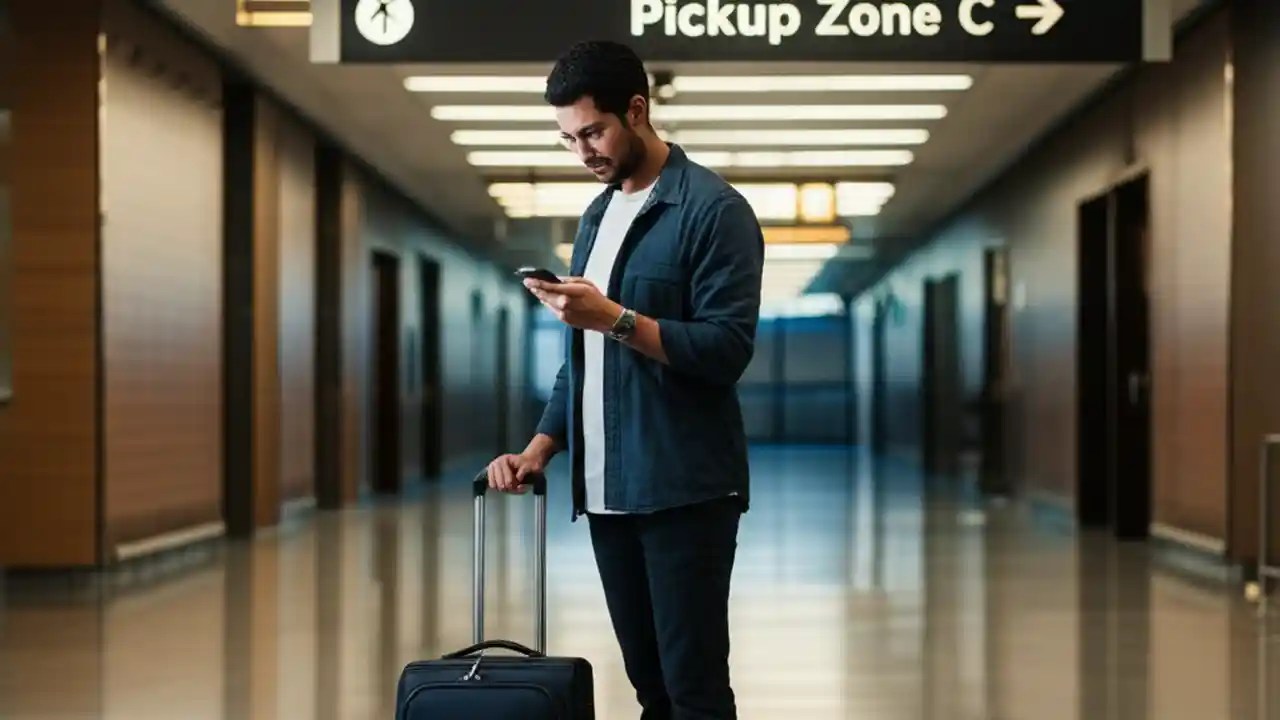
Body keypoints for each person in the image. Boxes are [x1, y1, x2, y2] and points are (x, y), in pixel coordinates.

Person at [485, 39, 764, 720]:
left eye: (593, 131)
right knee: (650, 688)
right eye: (568, 139)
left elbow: (726, 350)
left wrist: (613, 317)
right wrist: (540, 448)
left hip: (685, 491)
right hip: (609, 494)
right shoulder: (597, 216)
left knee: (693, 688)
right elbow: (583, 357)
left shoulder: (714, 211)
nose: (583, 152)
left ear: (637, 110)